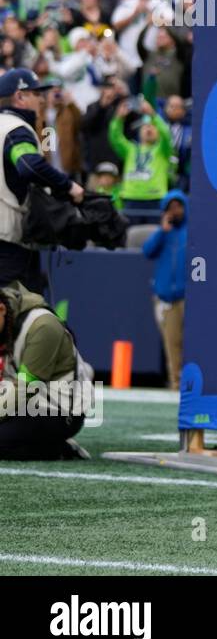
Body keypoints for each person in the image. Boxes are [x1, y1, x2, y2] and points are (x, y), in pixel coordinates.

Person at [0, 68, 83, 292]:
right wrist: (68, 186)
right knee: (20, 317)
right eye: (36, 94)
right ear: (20, 97)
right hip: (8, 245)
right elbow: (28, 165)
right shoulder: (15, 129)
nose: (41, 99)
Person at [0, 281, 94, 460]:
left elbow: (25, 389)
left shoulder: (42, 326)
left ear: (2, 309)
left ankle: (57, 449)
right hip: (24, 401)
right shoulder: (5, 325)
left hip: (59, 410)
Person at [142, 189, 186, 389]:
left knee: (193, 345)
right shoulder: (163, 234)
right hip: (166, 298)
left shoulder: (193, 232)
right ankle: (176, 383)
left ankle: (192, 386)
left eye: (178, 206)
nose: (175, 211)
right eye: (171, 208)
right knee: (172, 344)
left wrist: (199, 285)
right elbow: (147, 251)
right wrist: (162, 231)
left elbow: (202, 262)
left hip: (188, 297)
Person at [108, 97, 173, 225]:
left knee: (152, 237)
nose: (149, 129)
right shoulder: (130, 149)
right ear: (140, 131)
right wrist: (118, 118)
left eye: (152, 127)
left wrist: (153, 115)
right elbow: (115, 137)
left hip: (155, 199)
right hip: (131, 198)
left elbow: (166, 134)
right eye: (145, 127)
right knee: (130, 238)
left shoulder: (163, 150)